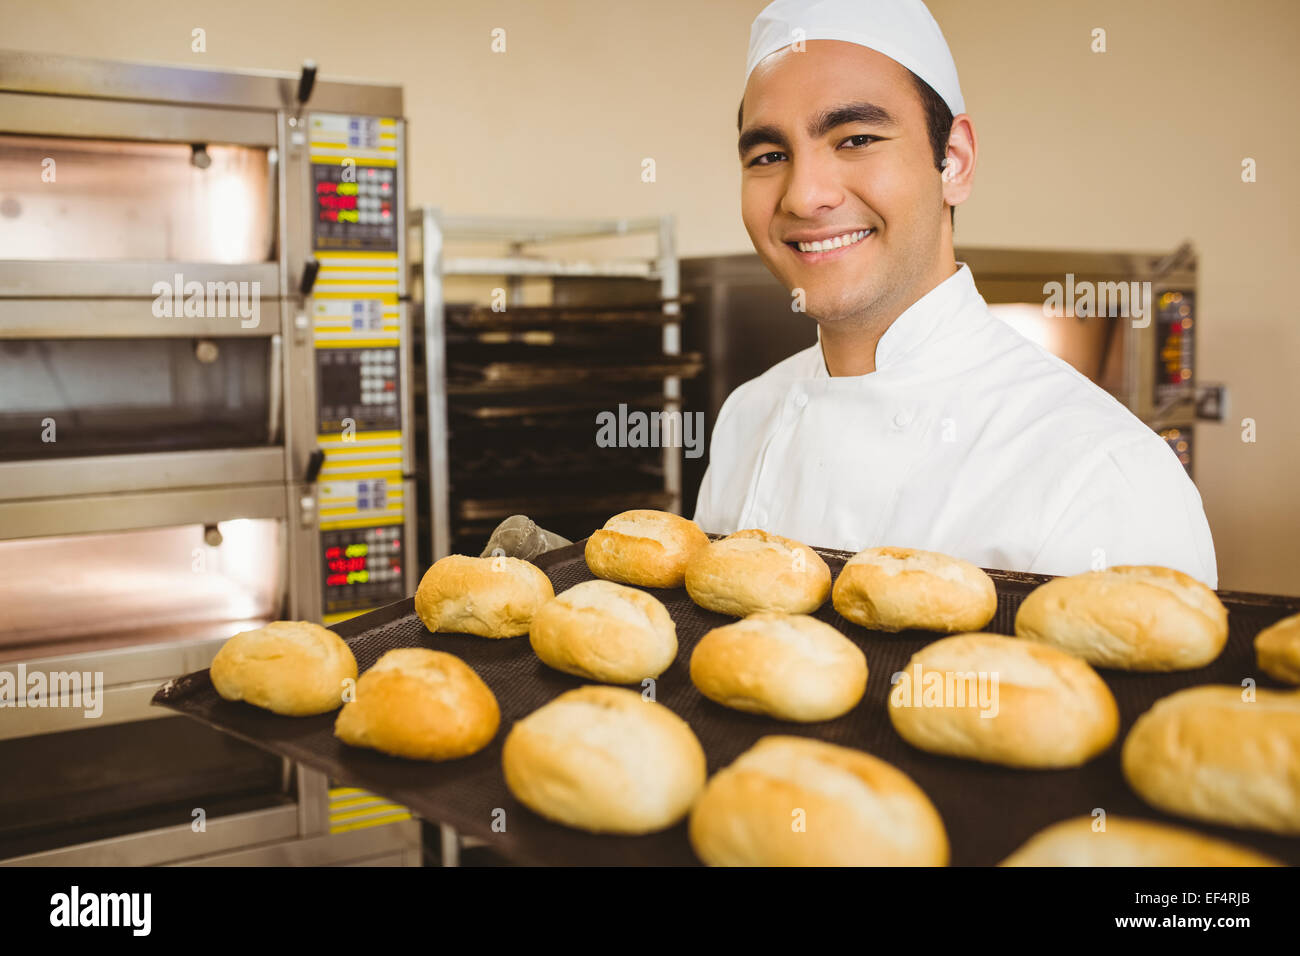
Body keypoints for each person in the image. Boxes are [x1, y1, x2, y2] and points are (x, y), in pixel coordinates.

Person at [691, 0, 1217, 587]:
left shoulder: (1106, 476)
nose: (804, 196)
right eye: (769, 156)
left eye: (857, 139)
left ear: (955, 162)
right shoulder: (747, 417)